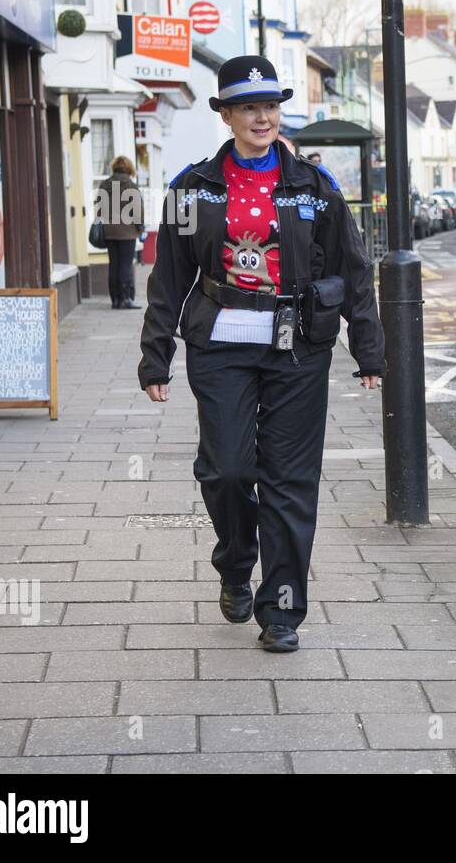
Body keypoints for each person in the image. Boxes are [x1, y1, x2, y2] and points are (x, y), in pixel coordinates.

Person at [138, 55, 386, 653]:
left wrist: (369, 349)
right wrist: (155, 356)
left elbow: (354, 269)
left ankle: (281, 610)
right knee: (227, 470)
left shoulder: (315, 187)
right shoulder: (191, 189)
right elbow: (168, 276)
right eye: (249, 107)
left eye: (271, 106)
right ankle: (234, 563)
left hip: (298, 345)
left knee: (290, 479)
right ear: (225, 114)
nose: (262, 117)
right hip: (219, 342)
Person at [95, 156, 144, 309]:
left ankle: (115, 300)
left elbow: (99, 208)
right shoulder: (131, 185)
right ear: (129, 169)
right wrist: (140, 228)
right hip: (127, 232)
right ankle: (126, 299)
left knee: (113, 264)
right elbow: (138, 211)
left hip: (110, 230)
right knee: (125, 265)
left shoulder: (105, 184)